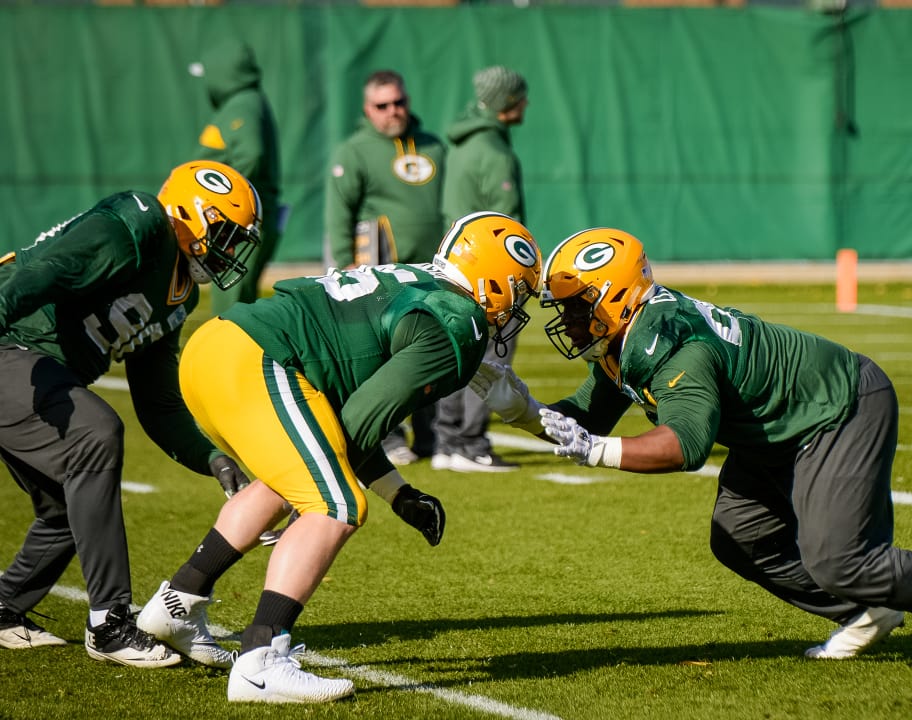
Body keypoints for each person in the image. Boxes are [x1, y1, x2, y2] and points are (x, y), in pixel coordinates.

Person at [470, 228, 912, 671]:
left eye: (575, 303)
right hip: (773, 426)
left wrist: (594, 451)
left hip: (836, 406)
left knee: (840, 557)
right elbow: (584, 417)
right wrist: (516, 406)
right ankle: (866, 608)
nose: (565, 317)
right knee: (740, 536)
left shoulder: (670, 347)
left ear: (617, 297)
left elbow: (683, 445)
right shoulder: (629, 333)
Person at [136, 211, 542, 703]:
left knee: (292, 481)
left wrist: (401, 494)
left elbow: (341, 429)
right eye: (518, 288)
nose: (516, 303)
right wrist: (383, 494)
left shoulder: (416, 279)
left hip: (217, 347)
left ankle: (175, 604)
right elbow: (360, 421)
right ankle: (262, 660)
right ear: (494, 278)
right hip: (258, 359)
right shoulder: (459, 320)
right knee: (336, 505)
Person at [0, 161, 261, 666]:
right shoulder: (137, 224)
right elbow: (39, 272)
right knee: (95, 434)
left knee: (66, 508)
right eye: (228, 234)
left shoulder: (178, 291)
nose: (231, 252)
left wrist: (212, 459)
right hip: (10, 345)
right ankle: (110, 622)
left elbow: (160, 405)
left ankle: (6, 608)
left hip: (34, 370)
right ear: (195, 213)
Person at [325, 69, 447, 467]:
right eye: (382, 105)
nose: (393, 111)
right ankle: (389, 436)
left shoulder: (434, 146)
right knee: (384, 358)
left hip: (433, 273)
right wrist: (345, 265)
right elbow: (339, 212)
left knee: (433, 350)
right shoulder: (354, 150)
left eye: (399, 102)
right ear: (367, 109)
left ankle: (431, 435)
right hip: (379, 275)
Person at [431, 65, 530, 473]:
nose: (526, 103)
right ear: (507, 102)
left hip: (456, 264)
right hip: (487, 270)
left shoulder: (461, 145)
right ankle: (471, 444)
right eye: (520, 96)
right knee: (491, 357)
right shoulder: (494, 153)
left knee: (457, 353)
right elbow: (505, 227)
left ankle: (448, 441)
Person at [191, 38, 282, 314]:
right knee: (237, 299)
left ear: (222, 72)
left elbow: (251, 154)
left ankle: (229, 356)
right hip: (239, 220)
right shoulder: (244, 103)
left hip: (237, 222)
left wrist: (227, 202)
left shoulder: (243, 105)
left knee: (232, 305)